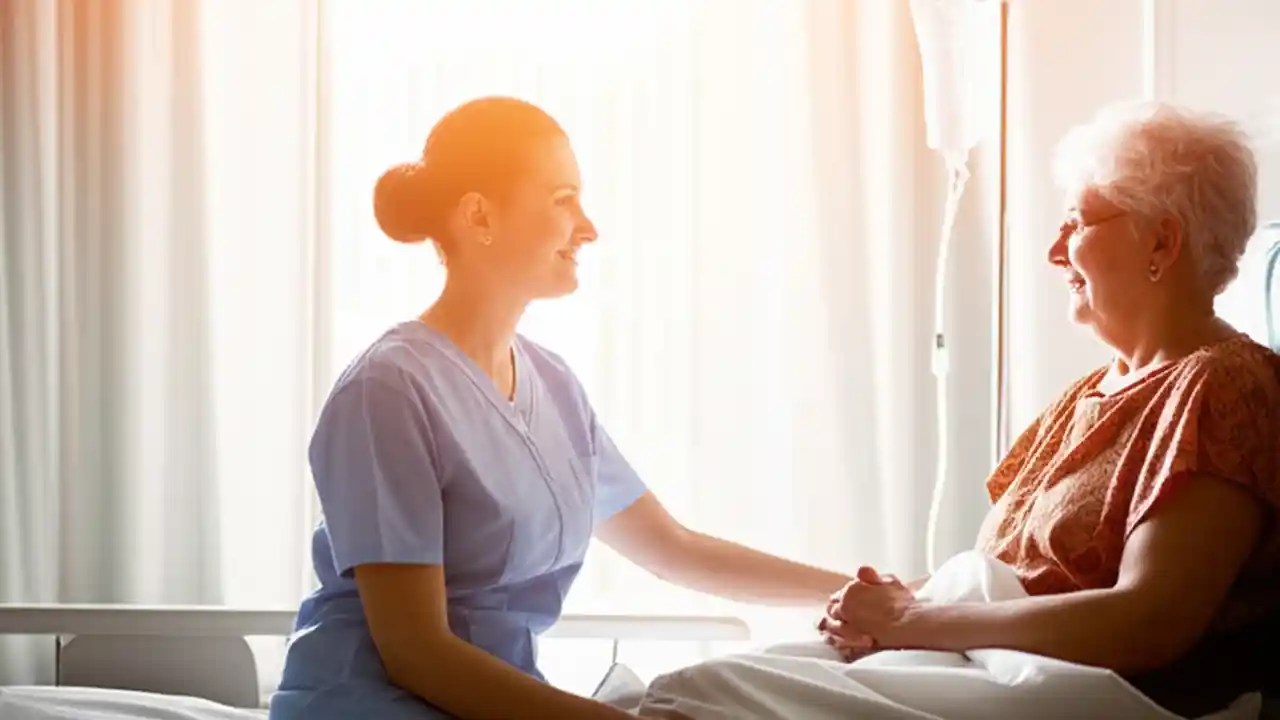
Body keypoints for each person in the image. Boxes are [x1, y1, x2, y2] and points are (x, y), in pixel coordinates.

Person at [268, 96, 854, 720]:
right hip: (369, 704)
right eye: (562, 199)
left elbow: (674, 547)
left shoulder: (552, 383)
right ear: (479, 215)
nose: (588, 227)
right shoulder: (387, 390)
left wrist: (855, 593)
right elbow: (418, 654)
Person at [822, 100, 1280, 717]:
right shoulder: (1090, 391)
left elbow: (1149, 620)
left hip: (1080, 692)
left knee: (707, 694)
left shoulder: (1224, 385)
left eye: (1077, 222)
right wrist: (884, 609)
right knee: (722, 679)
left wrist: (912, 620)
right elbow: (1014, 578)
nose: (1055, 251)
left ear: (1163, 241)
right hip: (987, 666)